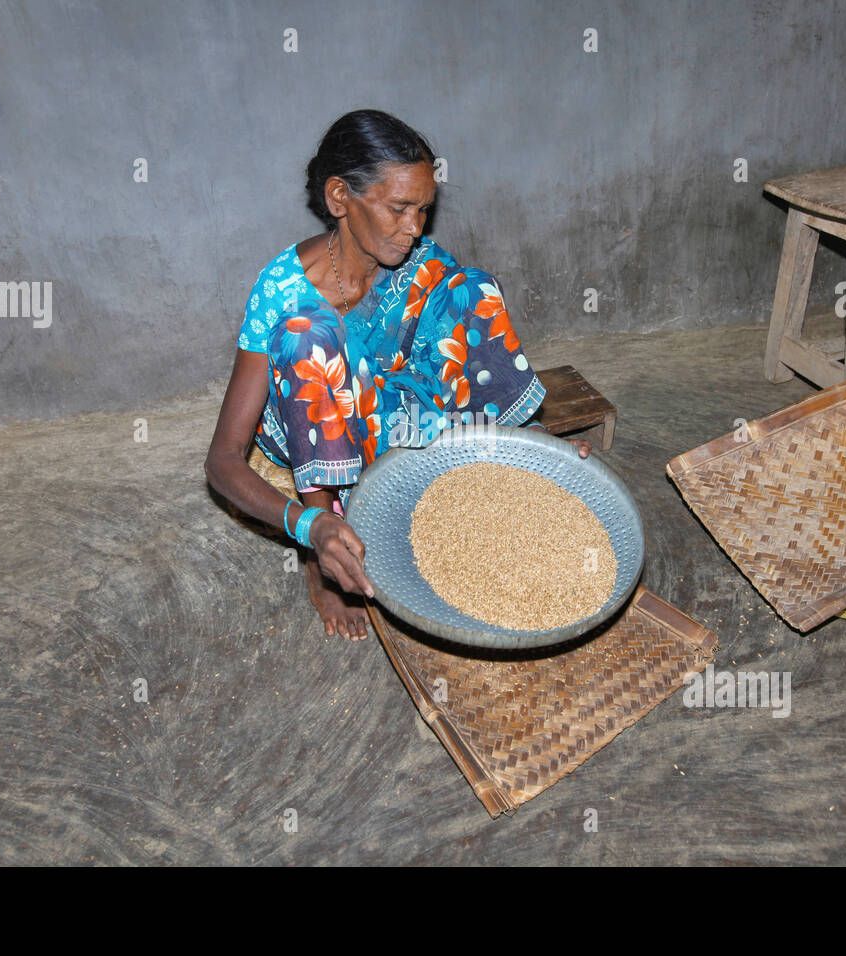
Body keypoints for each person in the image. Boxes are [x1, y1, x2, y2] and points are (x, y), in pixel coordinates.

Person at [205, 110, 588, 641]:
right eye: (399, 208)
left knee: (470, 287)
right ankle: (326, 555)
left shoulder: (418, 262)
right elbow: (222, 461)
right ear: (339, 198)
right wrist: (308, 525)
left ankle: (502, 454)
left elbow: (461, 356)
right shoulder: (282, 289)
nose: (414, 228)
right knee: (306, 334)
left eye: (424, 210)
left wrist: (533, 443)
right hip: (310, 415)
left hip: (396, 409)